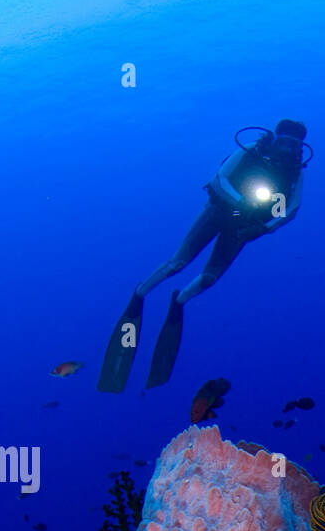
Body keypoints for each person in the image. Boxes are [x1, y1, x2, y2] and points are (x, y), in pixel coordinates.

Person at [98, 120, 310, 392]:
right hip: (218, 212)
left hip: (244, 228)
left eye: (294, 144)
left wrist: (262, 229)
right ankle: (140, 294)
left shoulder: (295, 171)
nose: (288, 148)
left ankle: (180, 301)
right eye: (284, 141)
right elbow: (219, 178)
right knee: (178, 263)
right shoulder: (250, 151)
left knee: (209, 279)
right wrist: (240, 202)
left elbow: (292, 207)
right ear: (274, 138)